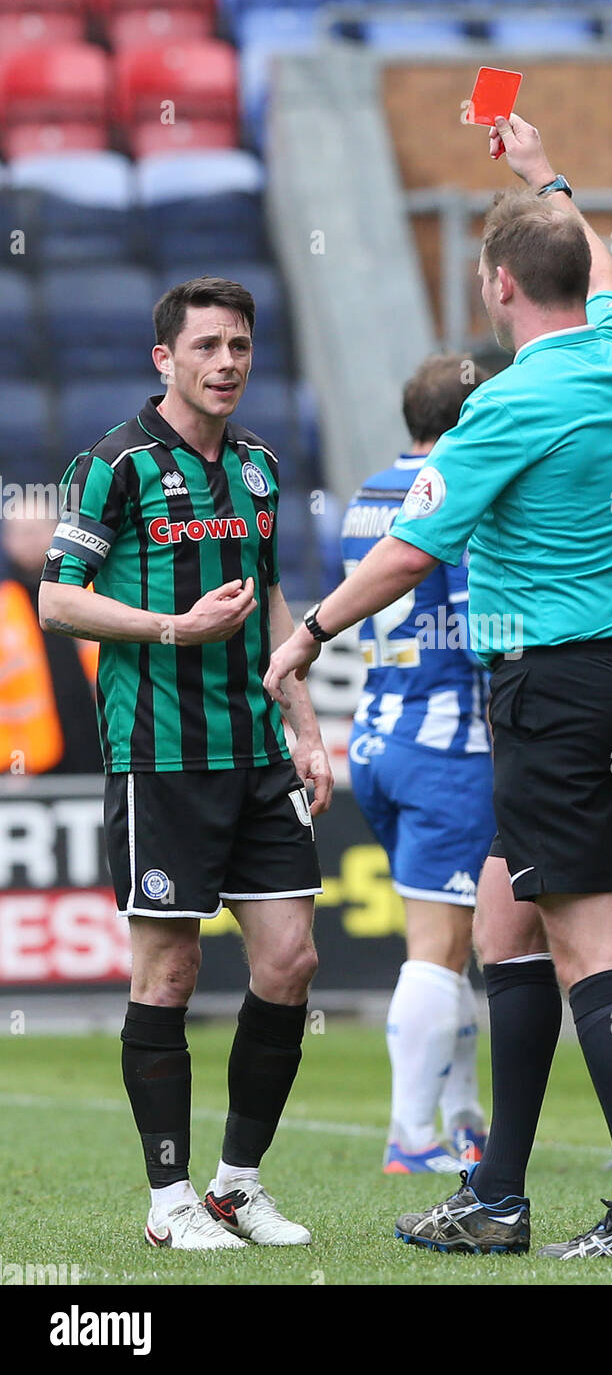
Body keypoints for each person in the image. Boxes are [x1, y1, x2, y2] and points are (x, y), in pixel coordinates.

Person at [266, 113, 612, 1260]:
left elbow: (408, 553)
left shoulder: (500, 409)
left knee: (590, 942)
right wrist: (547, 173)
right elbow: (598, 268)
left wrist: (308, 628)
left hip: (557, 689)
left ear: (499, 284)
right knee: (503, 917)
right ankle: (496, 1193)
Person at [38, 275, 334, 1250]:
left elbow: (276, 602)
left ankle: (236, 1186)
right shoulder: (112, 466)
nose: (226, 363)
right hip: (158, 755)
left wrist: (305, 722)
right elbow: (58, 601)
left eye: (240, 346)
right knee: (168, 971)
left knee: (290, 959)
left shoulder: (258, 467)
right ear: (164, 359)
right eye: (206, 346)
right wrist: (173, 626)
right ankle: (167, 1202)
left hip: (255, 750)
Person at [341, 353, 495, 1175]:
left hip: (377, 737)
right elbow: (481, 633)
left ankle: (464, 1119)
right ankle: (412, 1138)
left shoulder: (367, 492)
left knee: (451, 940)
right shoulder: (462, 488)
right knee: (438, 950)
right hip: (449, 748)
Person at [0, 502, 100, 775]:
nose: (28, 540)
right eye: (19, 532)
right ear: (7, 541)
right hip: (34, 765)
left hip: (102, 749)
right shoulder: (3, 609)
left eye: (35, 530)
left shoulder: (90, 595)